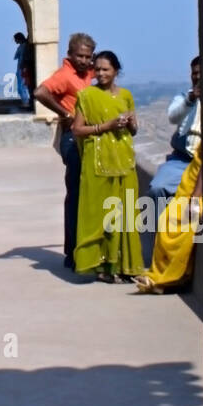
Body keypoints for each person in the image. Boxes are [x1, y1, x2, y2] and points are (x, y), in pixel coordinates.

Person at [71, 50, 145, 283]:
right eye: (98, 69)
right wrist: (105, 126)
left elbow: (134, 130)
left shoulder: (126, 96)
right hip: (98, 161)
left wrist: (131, 123)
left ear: (116, 71)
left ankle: (123, 266)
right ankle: (101, 266)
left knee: (125, 215)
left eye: (106, 69)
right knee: (100, 215)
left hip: (123, 161)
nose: (101, 74)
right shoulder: (86, 96)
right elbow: (77, 130)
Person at [34, 32, 97, 269]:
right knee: (76, 194)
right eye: (79, 56)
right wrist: (66, 114)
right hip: (72, 139)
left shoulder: (88, 72)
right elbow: (40, 92)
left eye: (87, 57)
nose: (83, 60)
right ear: (70, 55)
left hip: (89, 136)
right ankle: (72, 253)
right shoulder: (65, 75)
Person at [135, 143, 203, 294]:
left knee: (181, 223)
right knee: (166, 218)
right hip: (188, 184)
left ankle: (168, 278)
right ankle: (158, 274)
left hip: (196, 191)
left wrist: (195, 198)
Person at [149, 57, 201, 203]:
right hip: (183, 160)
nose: (197, 77)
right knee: (157, 189)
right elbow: (173, 116)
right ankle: (157, 225)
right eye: (194, 73)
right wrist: (191, 99)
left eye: (201, 73)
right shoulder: (184, 98)